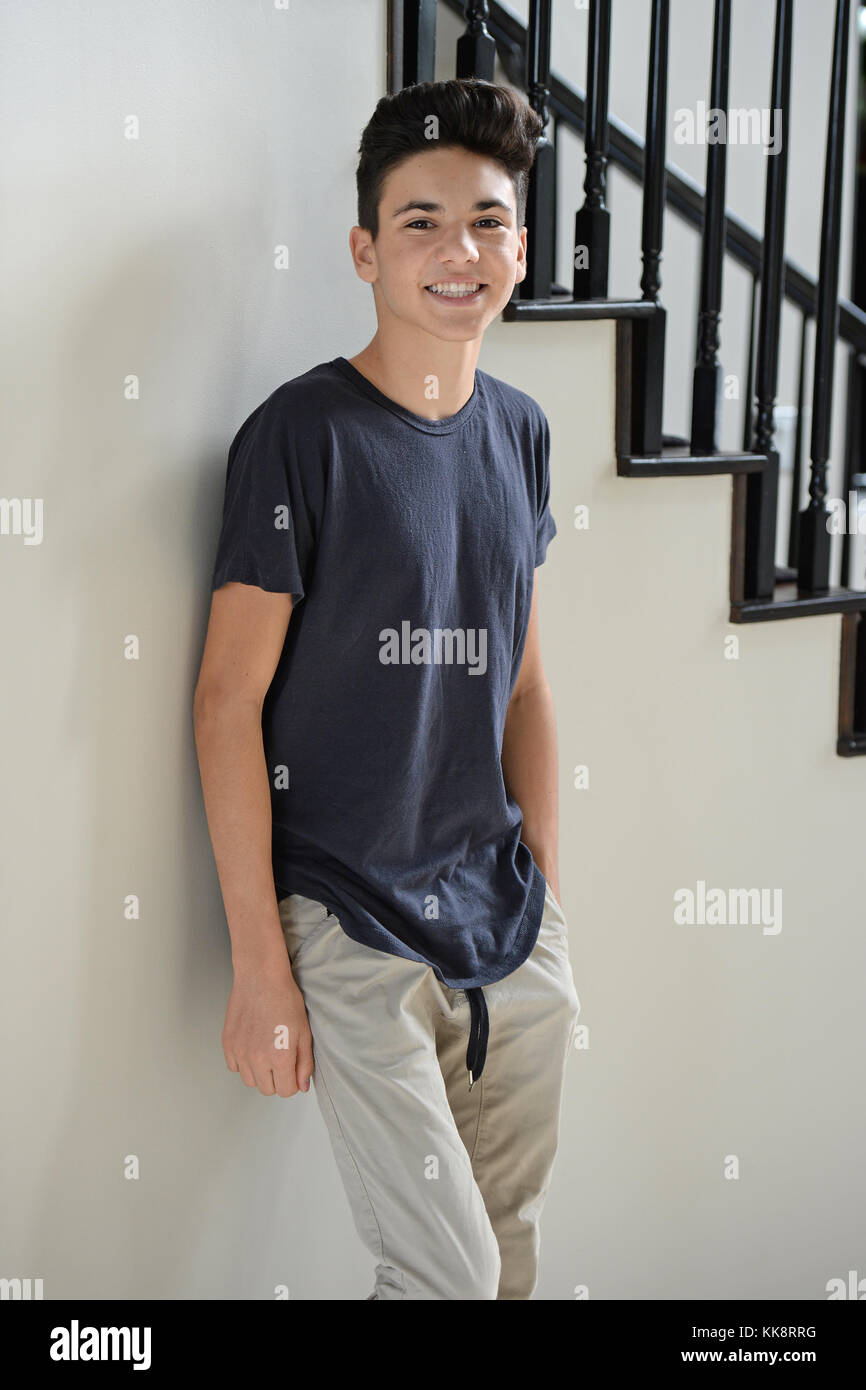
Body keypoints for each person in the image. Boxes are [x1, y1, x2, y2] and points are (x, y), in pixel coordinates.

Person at [193, 77, 581, 1301]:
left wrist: (550, 912)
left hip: (504, 922)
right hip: (353, 923)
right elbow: (222, 704)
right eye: (418, 221)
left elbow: (520, 689)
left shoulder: (518, 431)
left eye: (485, 220)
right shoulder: (299, 435)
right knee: (444, 1275)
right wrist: (263, 966)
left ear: (518, 249)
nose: (455, 250)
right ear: (364, 249)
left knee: (507, 1247)